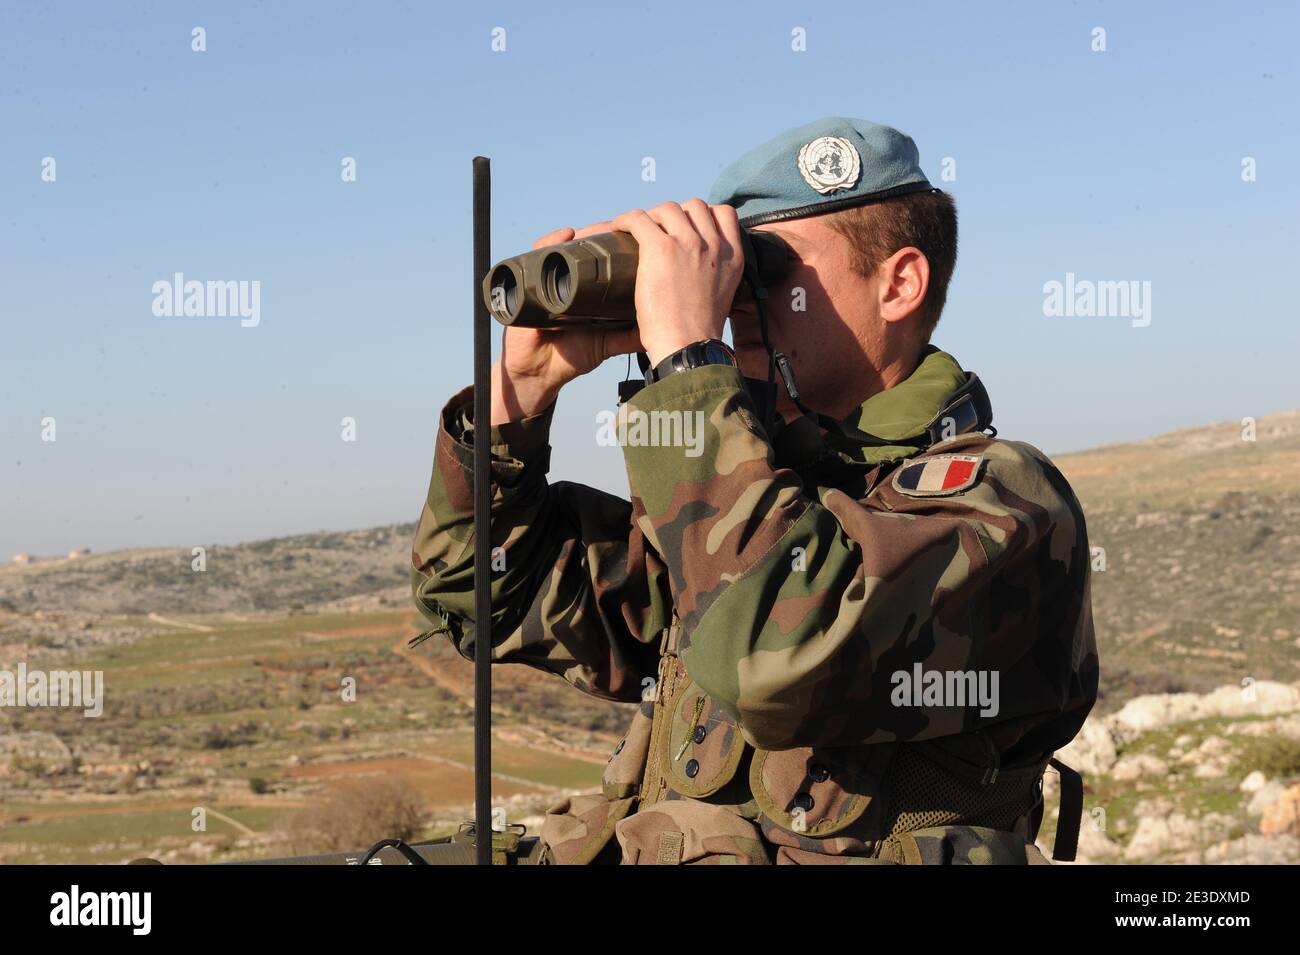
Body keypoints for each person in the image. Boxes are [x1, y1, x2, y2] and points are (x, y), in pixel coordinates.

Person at [411, 117, 1098, 864]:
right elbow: (481, 596)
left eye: (764, 269)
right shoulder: (767, 497)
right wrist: (519, 395)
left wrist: (688, 365)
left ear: (899, 284)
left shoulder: (1002, 505)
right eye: (725, 267)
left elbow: (775, 657)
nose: (736, 297)